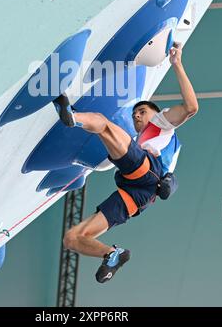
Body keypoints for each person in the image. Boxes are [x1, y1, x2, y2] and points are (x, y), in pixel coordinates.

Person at [53, 42, 198, 283]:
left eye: (142, 111)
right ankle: (113, 254)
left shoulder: (161, 123)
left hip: (146, 174)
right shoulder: (138, 139)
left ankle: (70, 115)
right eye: (135, 114)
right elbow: (169, 178)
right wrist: (170, 185)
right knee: (72, 238)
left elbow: (192, 108)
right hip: (136, 194)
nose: (137, 115)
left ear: (156, 112)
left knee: (102, 123)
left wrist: (177, 64)